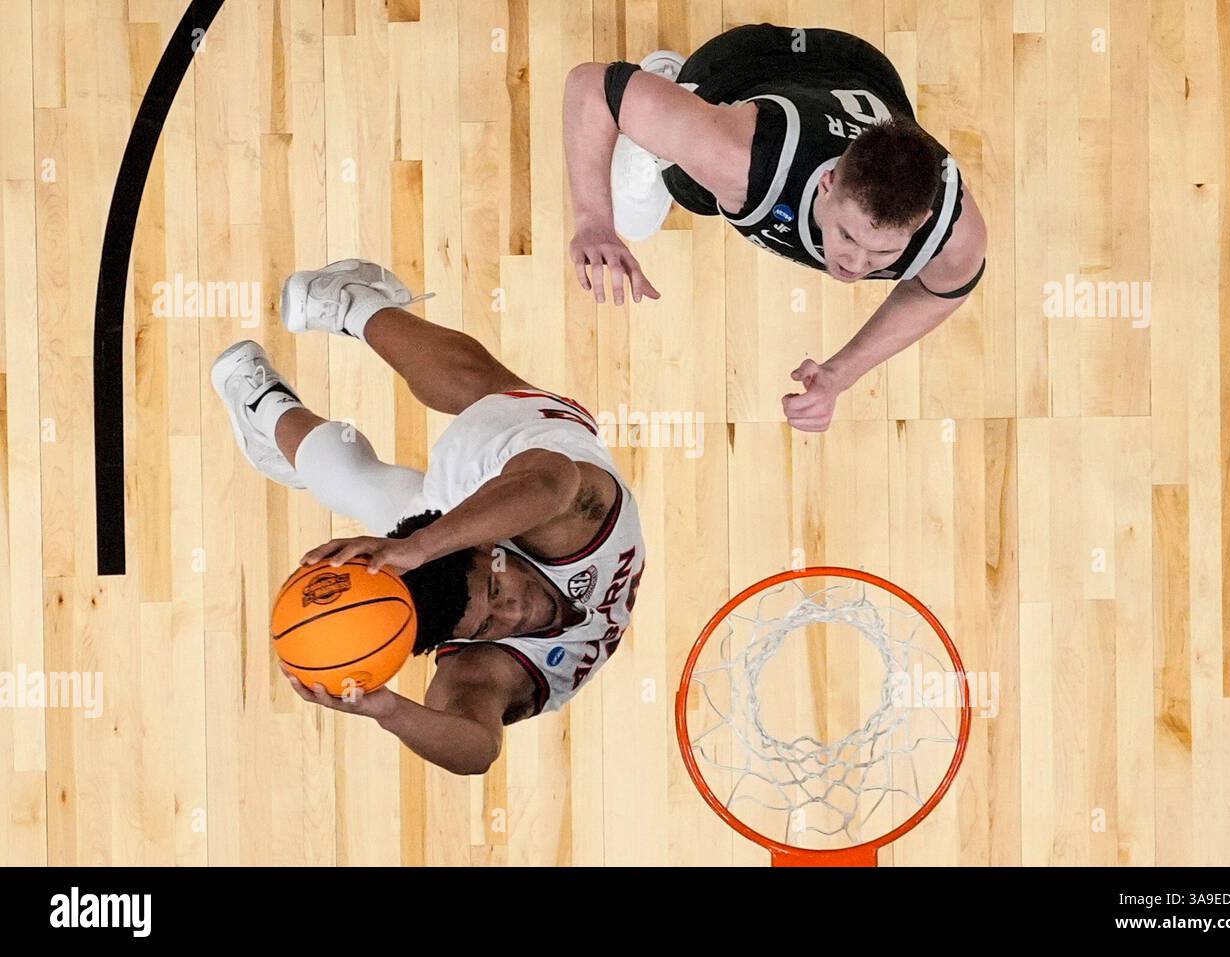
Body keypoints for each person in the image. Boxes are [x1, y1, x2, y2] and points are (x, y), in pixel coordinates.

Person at [211, 260, 645, 775]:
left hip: (497, 471)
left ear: (490, 551)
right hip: (440, 529)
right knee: (361, 484)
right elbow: (475, 753)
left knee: (482, 387)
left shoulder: (568, 522)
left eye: (497, 593)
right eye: (487, 624)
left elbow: (551, 484)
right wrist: (387, 710)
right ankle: (263, 407)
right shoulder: (480, 666)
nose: (512, 618)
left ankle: (347, 302)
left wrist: (419, 546)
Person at [563, 23, 988, 432]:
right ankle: (667, 94)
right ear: (827, 184)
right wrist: (593, 222)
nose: (855, 263)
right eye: (847, 235)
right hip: (740, 67)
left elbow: (939, 291)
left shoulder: (954, 239)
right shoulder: (743, 159)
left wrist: (840, 374)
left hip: (862, 69)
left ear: (924, 223)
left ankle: (666, 120)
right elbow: (593, 85)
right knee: (676, 194)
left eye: (883, 254)